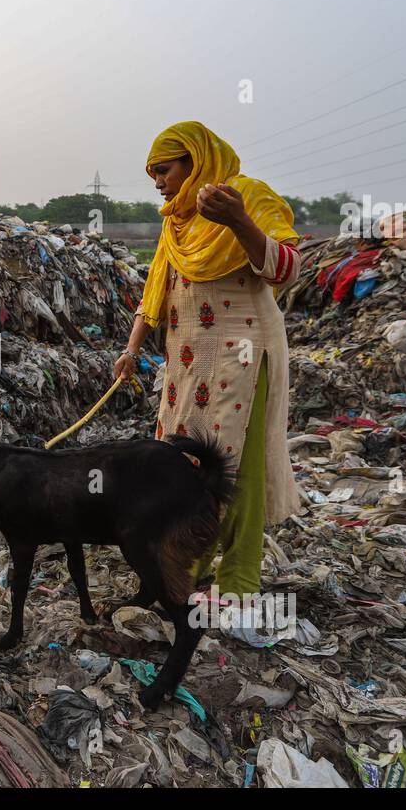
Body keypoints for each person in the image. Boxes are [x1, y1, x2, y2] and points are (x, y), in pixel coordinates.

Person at [112, 121, 301, 597]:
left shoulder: (246, 196)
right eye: (152, 173)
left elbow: (287, 269)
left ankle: (238, 579)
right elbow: (156, 288)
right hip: (188, 360)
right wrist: (131, 349)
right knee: (184, 465)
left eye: (165, 170)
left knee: (235, 466)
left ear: (196, 160)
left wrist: (239, 221)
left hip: (243, 354)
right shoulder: (175, 219)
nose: (158, 182)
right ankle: (186, 568)